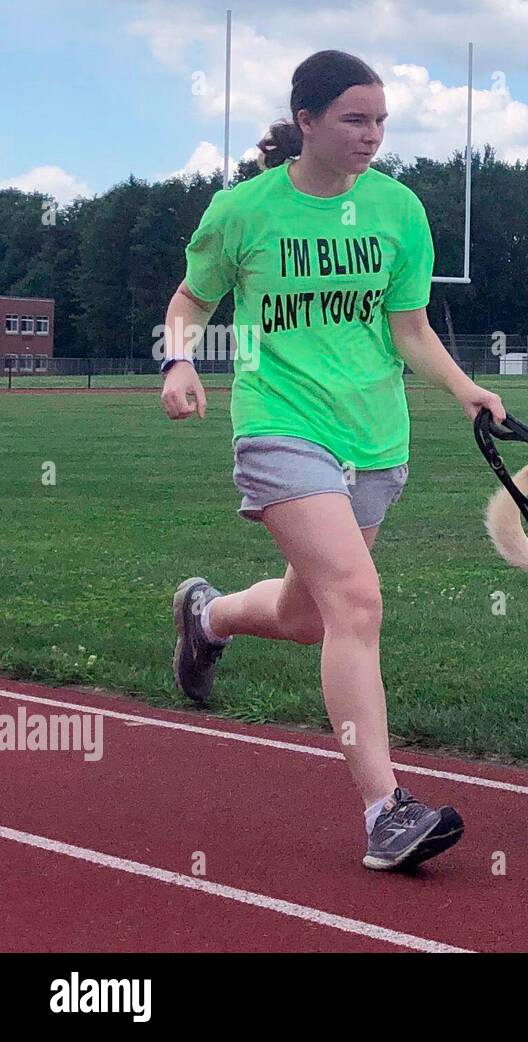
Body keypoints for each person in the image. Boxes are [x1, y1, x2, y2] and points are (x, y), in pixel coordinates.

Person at [159, 50, 505, 871]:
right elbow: (189, 301)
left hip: (375, 439)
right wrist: (178, 360)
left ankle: (207, 617)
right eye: (354, 119)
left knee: (309, 614)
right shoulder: (243, 211)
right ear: (305, 122)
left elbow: (409, 329)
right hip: (281, 425)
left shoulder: (400, 210)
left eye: (381, 120)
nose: (371, 136)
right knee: (356, 602)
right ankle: (386, 812)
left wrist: (465, 390)